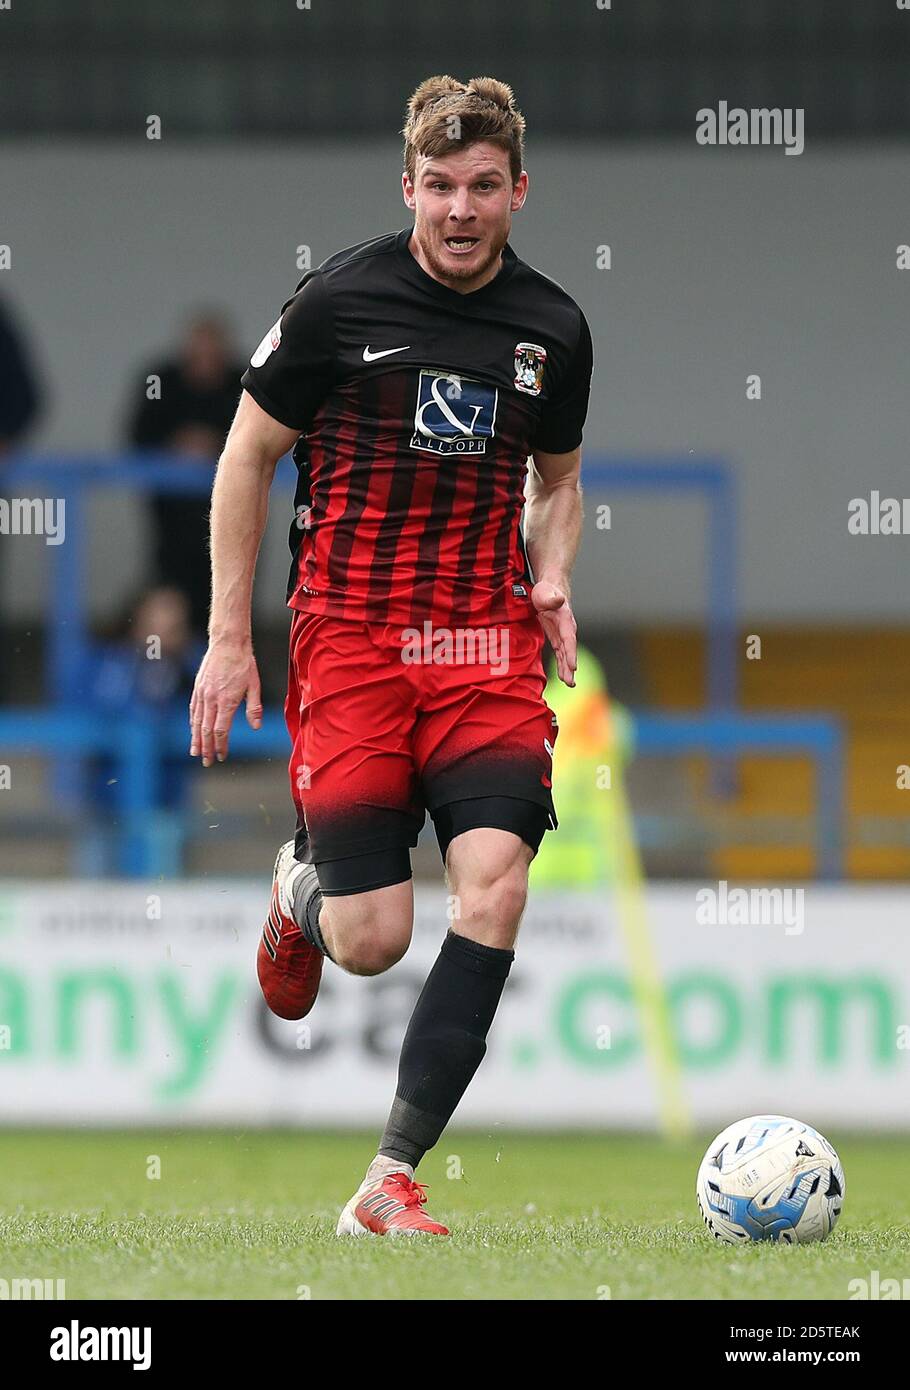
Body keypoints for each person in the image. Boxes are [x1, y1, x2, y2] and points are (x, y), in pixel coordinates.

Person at [190, 75, 593, 1236]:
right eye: (437, 187)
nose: (459, 210)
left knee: (496, 885)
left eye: (481, 187)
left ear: (517, 190)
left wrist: (552, 570)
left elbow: (558, 483)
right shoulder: (336, 303)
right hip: (355, 640)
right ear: (406, 186)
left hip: (482, 648)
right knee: (370, 941)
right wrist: (228, 639)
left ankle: (388, 1176)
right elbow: (244, 457)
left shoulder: (553, 327)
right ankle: (297, 886)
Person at [126, 313, 243, 637]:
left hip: (235, 516)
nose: (204, 363)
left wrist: (217, 447)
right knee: (169, 595)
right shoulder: (162, 380)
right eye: (197, 354)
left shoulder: (245, 382)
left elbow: (266, 437)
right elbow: (138, 435)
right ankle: (169, 679)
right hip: (172, 519)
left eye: (212, 354)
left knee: (233, 597)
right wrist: (176, 446)